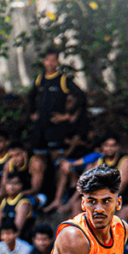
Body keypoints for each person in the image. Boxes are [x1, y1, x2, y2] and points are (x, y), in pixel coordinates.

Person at [28, 47, 86, 198]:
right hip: (40, 127)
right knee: (39, 160)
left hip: (56, 128)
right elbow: (30, 96)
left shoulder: (63, 79)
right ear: (43, 61)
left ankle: (68, 192)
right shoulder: (39, 79)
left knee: (59, 161)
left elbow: (81, 96)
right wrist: (32, 113)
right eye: (48, 60)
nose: (51, 63)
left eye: (54, 60)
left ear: (58, 62)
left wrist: (67, 116)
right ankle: (37, 193)